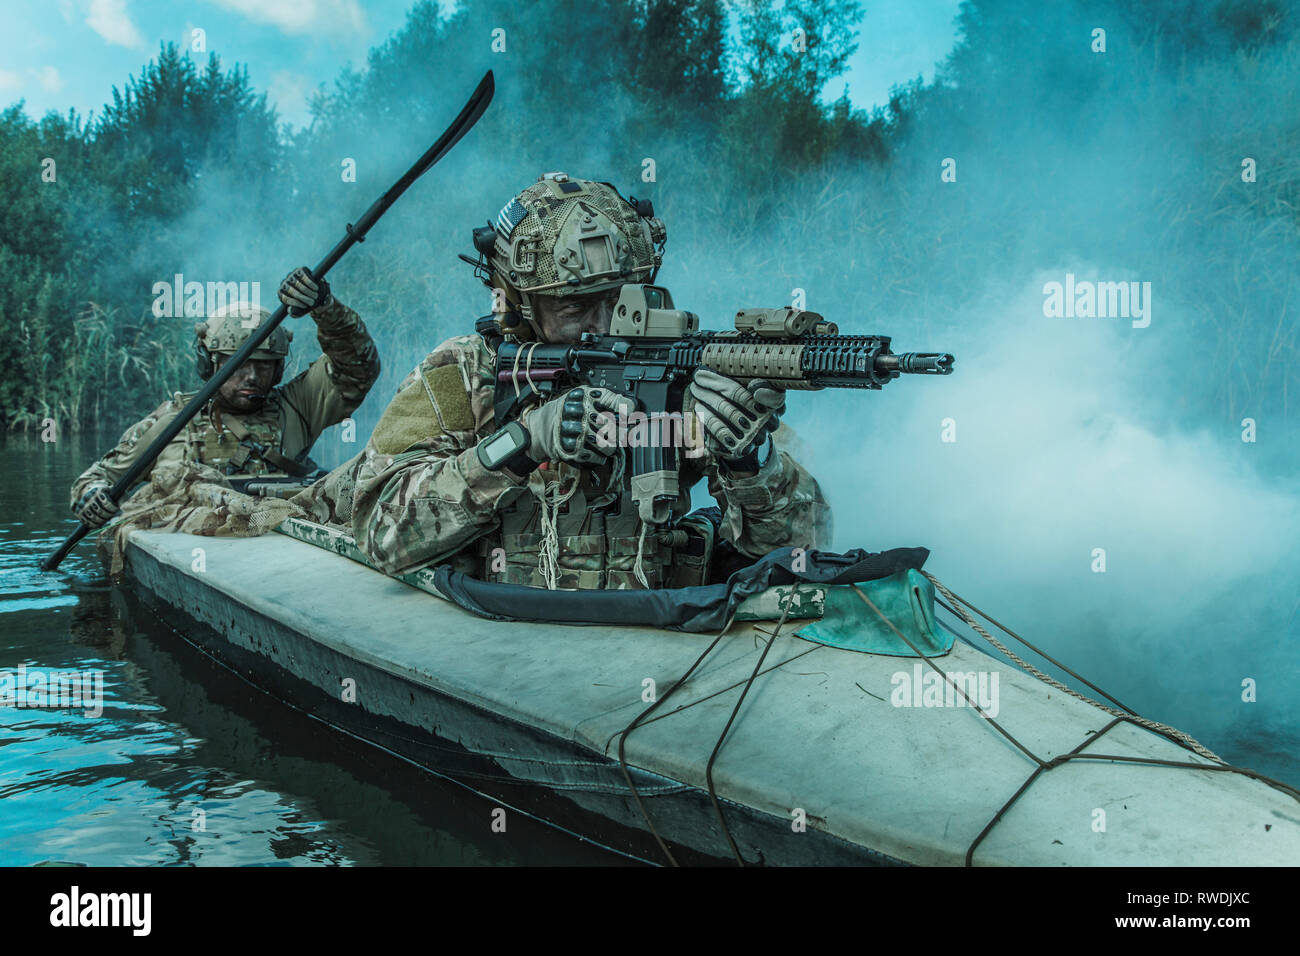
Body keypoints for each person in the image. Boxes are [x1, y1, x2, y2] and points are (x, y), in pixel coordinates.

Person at [351, 172, 831, 589]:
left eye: (617, 298)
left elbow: (809, 542)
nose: (603, 325)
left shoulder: (678, 374)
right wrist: (524, 441)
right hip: (500, 640)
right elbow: (381, 535)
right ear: (521, 303)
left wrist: (751, 459)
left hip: (652, 633)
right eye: (574, 306)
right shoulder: (464, 373)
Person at [70, 268, 380, 528]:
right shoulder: (173, 421)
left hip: (283, 538)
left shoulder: (298, 406)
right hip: (196, 547)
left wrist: (324, 306)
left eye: (264, 365)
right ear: (210, 365)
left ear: (278, 369)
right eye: (238, 364)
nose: (252, 377)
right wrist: (93, 495)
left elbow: (358, 367)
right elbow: (99, 476)